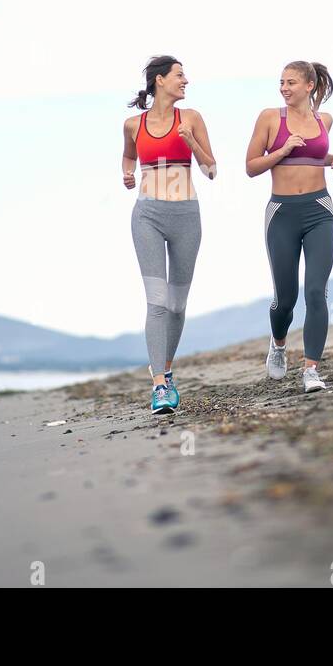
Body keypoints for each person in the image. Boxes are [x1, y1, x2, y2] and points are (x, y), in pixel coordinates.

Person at [245, 61, 333, 392]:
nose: (284, 88)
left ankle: (311, 370)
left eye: (291, 82)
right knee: (285, 299)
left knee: (316, 291)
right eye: (282, 82)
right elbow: (251, 166)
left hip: (319, 211)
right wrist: (283, 149)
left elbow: (314, 155)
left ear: (309, 85)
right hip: (282, 214)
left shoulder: (324, 120)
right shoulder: (269, 118)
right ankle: (278, 345)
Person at [122, 56, 217, 413]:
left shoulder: (191, 118)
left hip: (186, 216)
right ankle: (159, 386)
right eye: (179, 75)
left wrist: (191, 141)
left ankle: (166, 369)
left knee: (176, 305)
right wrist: (127, 174)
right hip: (147, 215)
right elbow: (128, 158)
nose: (185, 80)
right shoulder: (133, 124)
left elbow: (211, 169)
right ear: (160, 80)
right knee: (157, 301)